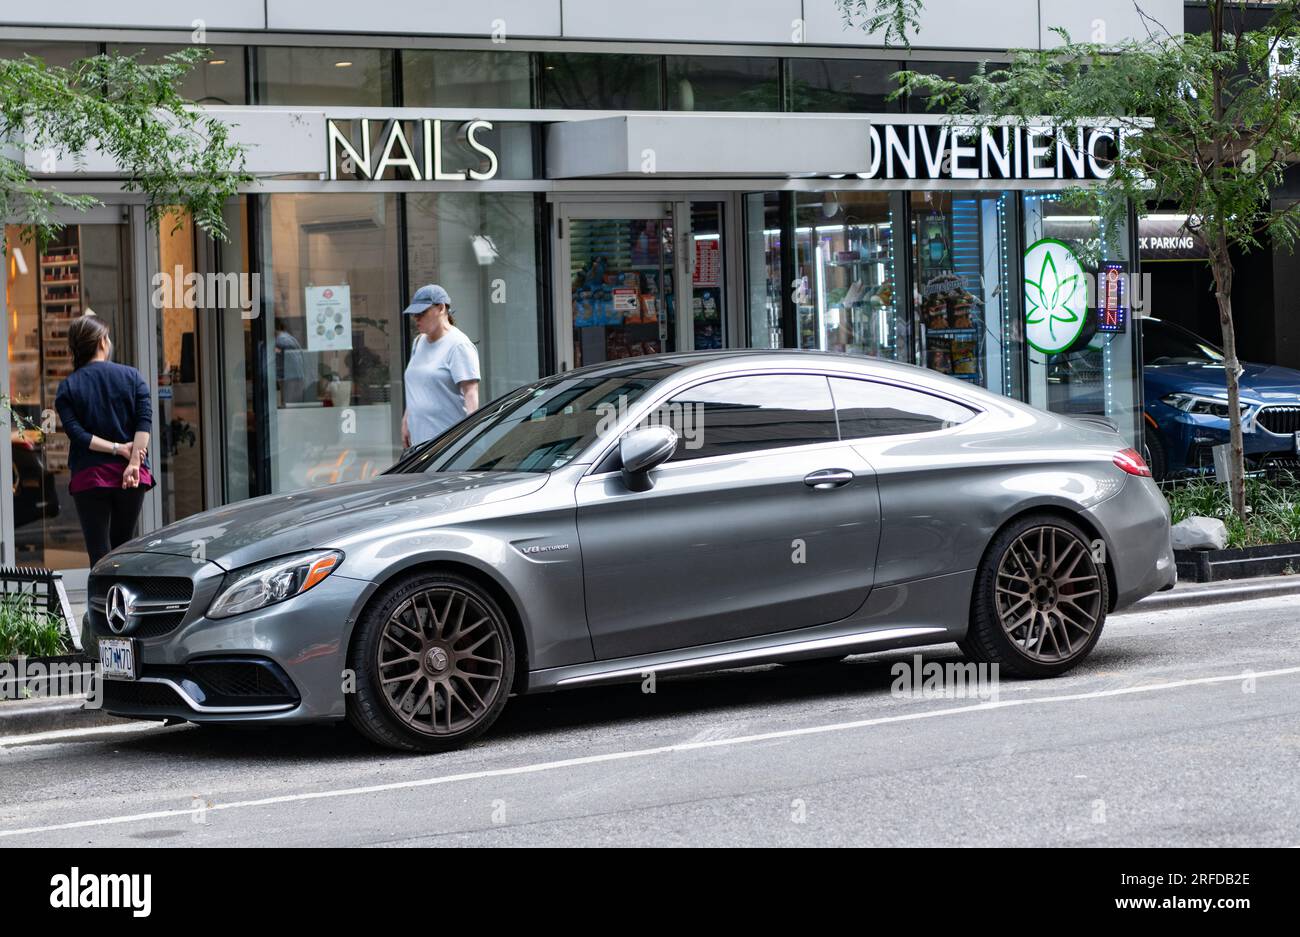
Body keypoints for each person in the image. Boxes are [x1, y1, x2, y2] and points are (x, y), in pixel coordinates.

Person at [54, 315, 153, 567]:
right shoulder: (132, 377)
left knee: (99, 554)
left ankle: (99, 606)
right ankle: (122, 606)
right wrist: (132, 462)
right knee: (123, 549)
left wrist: (117, 449)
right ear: (102, 341)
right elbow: (144, 422)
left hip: (89, 477)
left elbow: (77, 434)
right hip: (129, 477)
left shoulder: (68, 387)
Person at [401, 284, 481, 448]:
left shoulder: (458, 345)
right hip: (418, 444)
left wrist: (470, 438)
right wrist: (406, 420)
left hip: (448, 446)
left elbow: (471, 394)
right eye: (414, 313)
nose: (416, 317)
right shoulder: (418, 342)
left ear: (441, 308)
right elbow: (417, 386)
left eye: (422, 312)